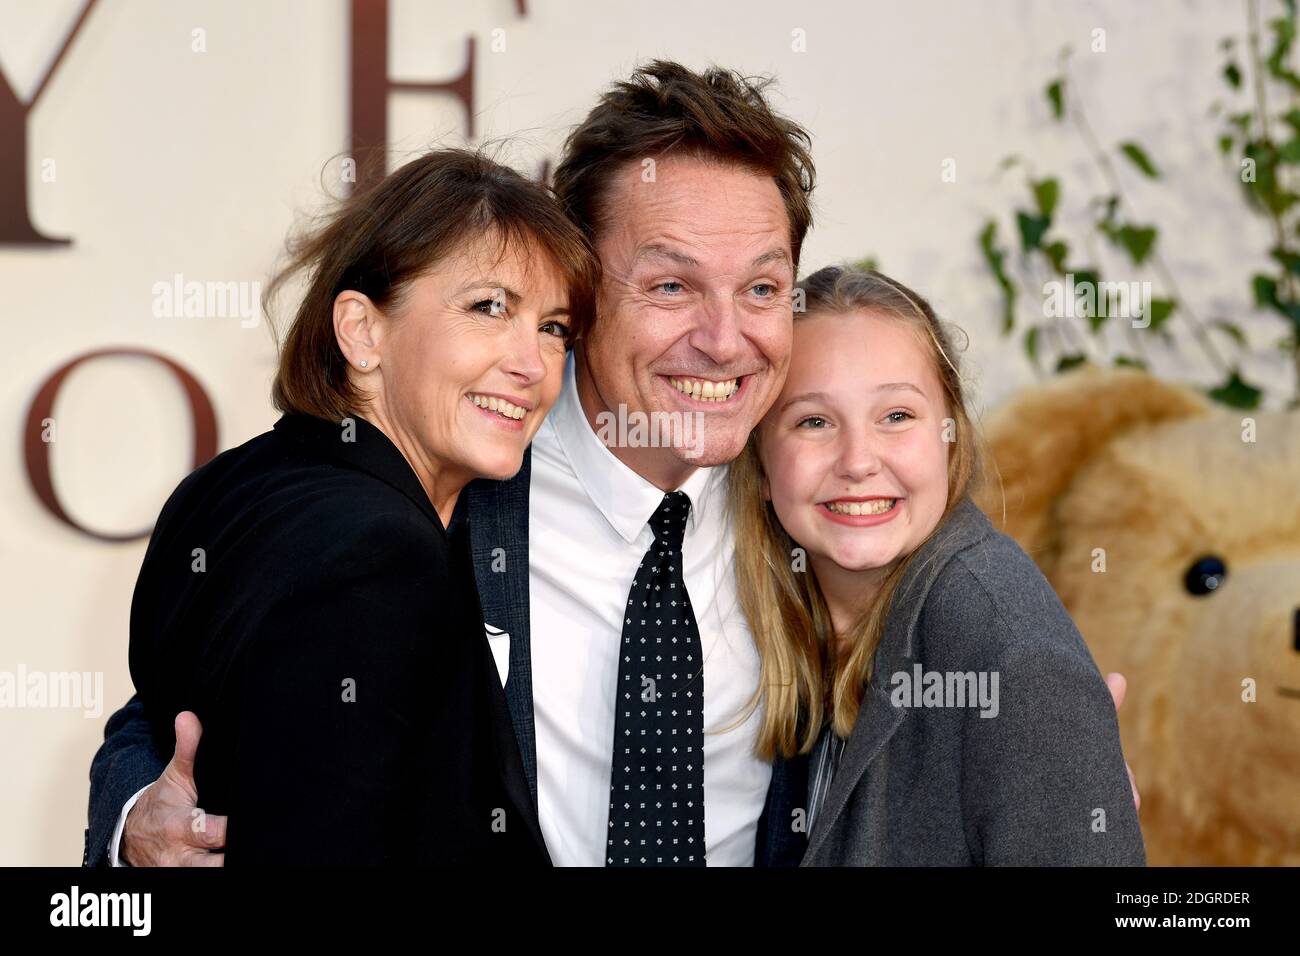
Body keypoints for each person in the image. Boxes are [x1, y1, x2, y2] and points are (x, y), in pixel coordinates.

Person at [87, 62, 1136, 868]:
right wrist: (140, 820)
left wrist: (1061, 771)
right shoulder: (455, 491)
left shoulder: (819, 505)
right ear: (582, 302)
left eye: (762, 289)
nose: (725, 341)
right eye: (672, 287)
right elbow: (172, 713)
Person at [108, 147, 597, 864]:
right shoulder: (380, 555)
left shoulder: (222, 489)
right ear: (362, 332)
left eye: (554, 328)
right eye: (489, 307)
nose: (533, 365)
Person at [729, 266, 1145, 864]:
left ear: (951, 439)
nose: (858, 461)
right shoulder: (776, 619)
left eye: (896, 416)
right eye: (813, 421)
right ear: (761, 464)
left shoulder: (1009, 655)